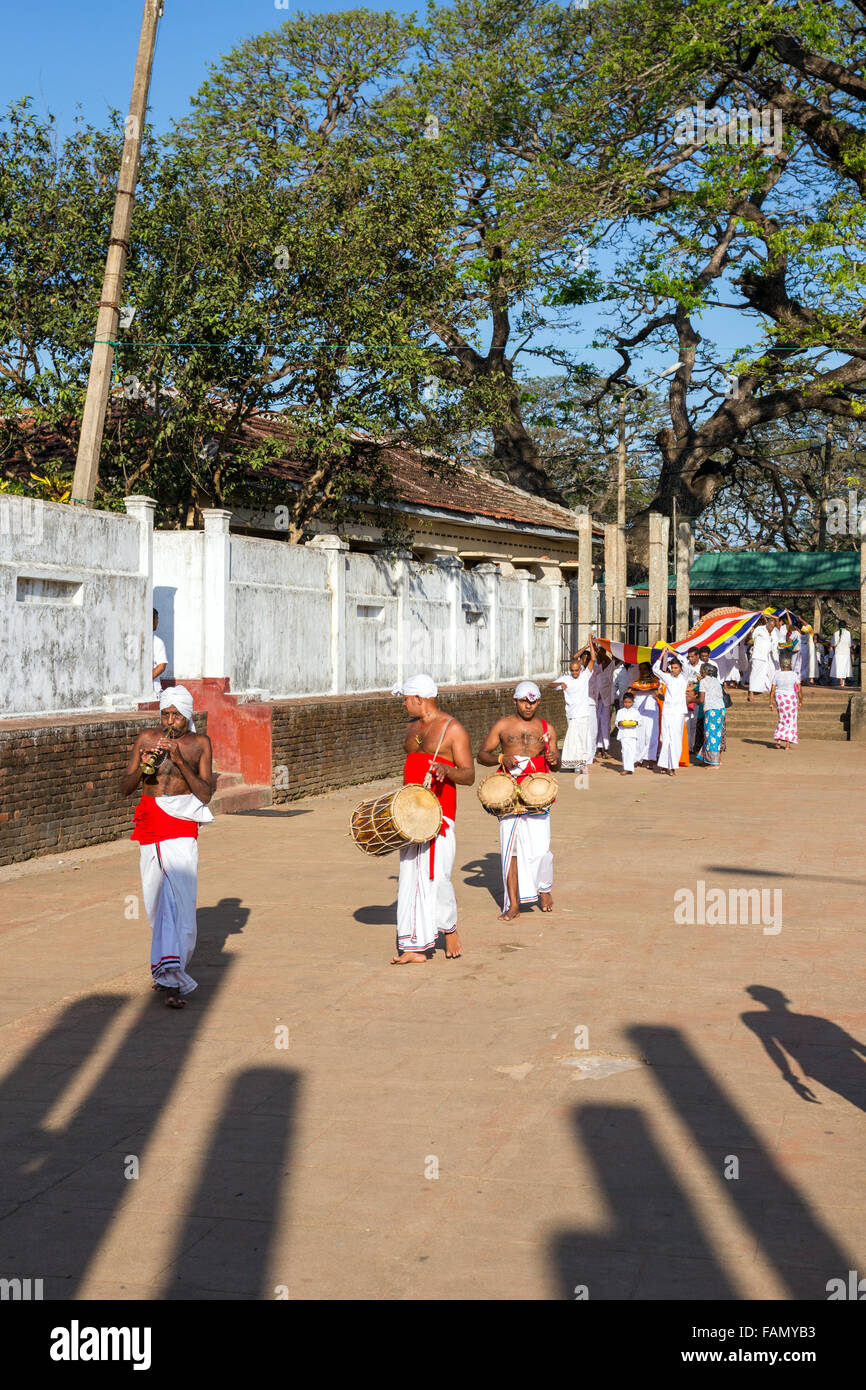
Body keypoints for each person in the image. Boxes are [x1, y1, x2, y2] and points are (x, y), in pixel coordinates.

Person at [121, 686, 214, 1008]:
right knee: (157, 901)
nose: (170, 721)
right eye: (165, 714)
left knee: (181, 902)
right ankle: (167, 973)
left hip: (181, 825)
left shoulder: (199, 744)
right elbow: (125, 787)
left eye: (176, 715)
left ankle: (173, 975)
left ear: (188, 715)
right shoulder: (147, 738)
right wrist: (145, 763)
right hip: (151, 821)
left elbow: (205, 794)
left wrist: (179, 761)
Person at [391, 674, 475, 964]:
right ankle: (415, 946)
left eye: (405, 698)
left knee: (436, 877)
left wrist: (447, 770)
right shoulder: (412, 727)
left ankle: (449, 929)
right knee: (410, 878)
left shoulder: (453, 730)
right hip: (410, 814)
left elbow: (469, 774)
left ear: (419, 699)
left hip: (440, 814)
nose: (403, 703)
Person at [478, 681, 560, 921]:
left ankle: (543, 889)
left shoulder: (547, 728)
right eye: (524, 701)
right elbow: (482, 755)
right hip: (508, 791)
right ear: (515, 701)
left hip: (537, 792)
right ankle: (513, 903)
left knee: (541, 849)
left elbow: (556, 763)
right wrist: (502, 757)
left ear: (539, 702)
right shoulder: (503, 725)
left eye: (533, 701)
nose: (528, 705)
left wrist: (555, 758)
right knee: (510, 850)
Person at [551, 636, 595, 773]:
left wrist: (590, 646)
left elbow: (592, 659)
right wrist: (560, 684)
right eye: (573, 670)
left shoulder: (585, 676)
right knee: (573, 740)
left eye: (577, 670)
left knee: (582, 740)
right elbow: (550, 685)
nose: (575, 673)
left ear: (580, 669)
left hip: (583, 714)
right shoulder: (566, 678)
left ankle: (581, 764)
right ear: (570, 670)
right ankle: (574, 764)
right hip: (571, 714)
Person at [652, 650, 689, 776]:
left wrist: (672, 652)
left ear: (680, 668)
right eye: (672, 668)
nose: (674, 670)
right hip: (667, 711)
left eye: (676, 667)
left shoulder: (685, 676)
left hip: (678, 712)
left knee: (676, 738)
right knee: (665, 737)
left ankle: (673, 766)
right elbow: (655, 669)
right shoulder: (667, 677)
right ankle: (664, 764)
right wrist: (663, 654)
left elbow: (684, 661)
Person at [694, 662, 726, 768]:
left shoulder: (703, 682)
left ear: (704, 671)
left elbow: (701, 699)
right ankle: (708, 759)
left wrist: (690, 700)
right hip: (720, 710)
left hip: (711, 710)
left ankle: (714, 762)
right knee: (714, 734)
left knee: (711, 735)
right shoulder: (716, 681)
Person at [631, 661, 662, 767]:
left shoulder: (656, 682)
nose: (642, 671)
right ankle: (638, 759)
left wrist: (657, 691)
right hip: (638, 710)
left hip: (651, 710)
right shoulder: (636, 682)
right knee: (638, 735)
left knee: (651, 735)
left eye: (645, 669)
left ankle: (651, 758)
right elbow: (629, 693)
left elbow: (661, 696)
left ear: (649, 670)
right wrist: (633, 690)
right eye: (641, 669)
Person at [770, 653, 802, 750]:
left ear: (781, 665)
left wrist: (771, 702)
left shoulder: (777, 675)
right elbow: (799, 689)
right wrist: (801, 700)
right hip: (791, 698)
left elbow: (772, 690)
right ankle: (787, 745)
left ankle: (779, 740)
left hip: (780, 699)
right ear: (790, 664)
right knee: (791, 720)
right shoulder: (794, 675)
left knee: (782, 719)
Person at [614, 691, 641, 775]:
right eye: (625, 702)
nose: (627, 704)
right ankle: (626, 768)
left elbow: (640, 721)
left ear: (633, 702)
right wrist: (620, 723)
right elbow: (617, 722)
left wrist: (635, 722)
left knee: (632, 751)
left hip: (632, 734)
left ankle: (630, 768)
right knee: (625, 751)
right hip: (624, 734)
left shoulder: (635, 711)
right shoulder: (620, 711)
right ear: (623, 702)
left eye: (629, 702)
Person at [747, 617, 773, 701]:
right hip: (757, 655)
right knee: (754, 673)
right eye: (771, 626)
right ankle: (751, 692)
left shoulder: (771, 634)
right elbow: (751, 639)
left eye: (773, 626)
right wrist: (751, 632)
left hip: (766, 657)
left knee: (762, 674)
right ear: (767, 624)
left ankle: (758, 689)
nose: (772, 628)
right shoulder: (759, 629)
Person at [595, 649, 615, 757]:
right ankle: (598, 749)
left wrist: (598, 650)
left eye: (601, 655)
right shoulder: (594, 668)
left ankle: (605, 749)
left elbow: (608, 660)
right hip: (595, 701)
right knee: (596, 724)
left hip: (605, 701)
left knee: (605, 724)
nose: (599, 657)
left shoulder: (609, 668)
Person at [831, 620, 853, 687]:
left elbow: (833, 644)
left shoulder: (835, 633)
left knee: (839, 667)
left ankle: (841, 682)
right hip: (846, 652)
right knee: (845, 667)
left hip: (838, 653)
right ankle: (844, 682)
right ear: (845, 626)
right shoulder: (848, 633)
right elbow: (850, 644)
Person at [152, 608, 167, 697]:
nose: (158, 622)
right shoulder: (157, 641)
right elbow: (162, 666)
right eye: (157, 619)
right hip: (154, 689)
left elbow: (161, 666)